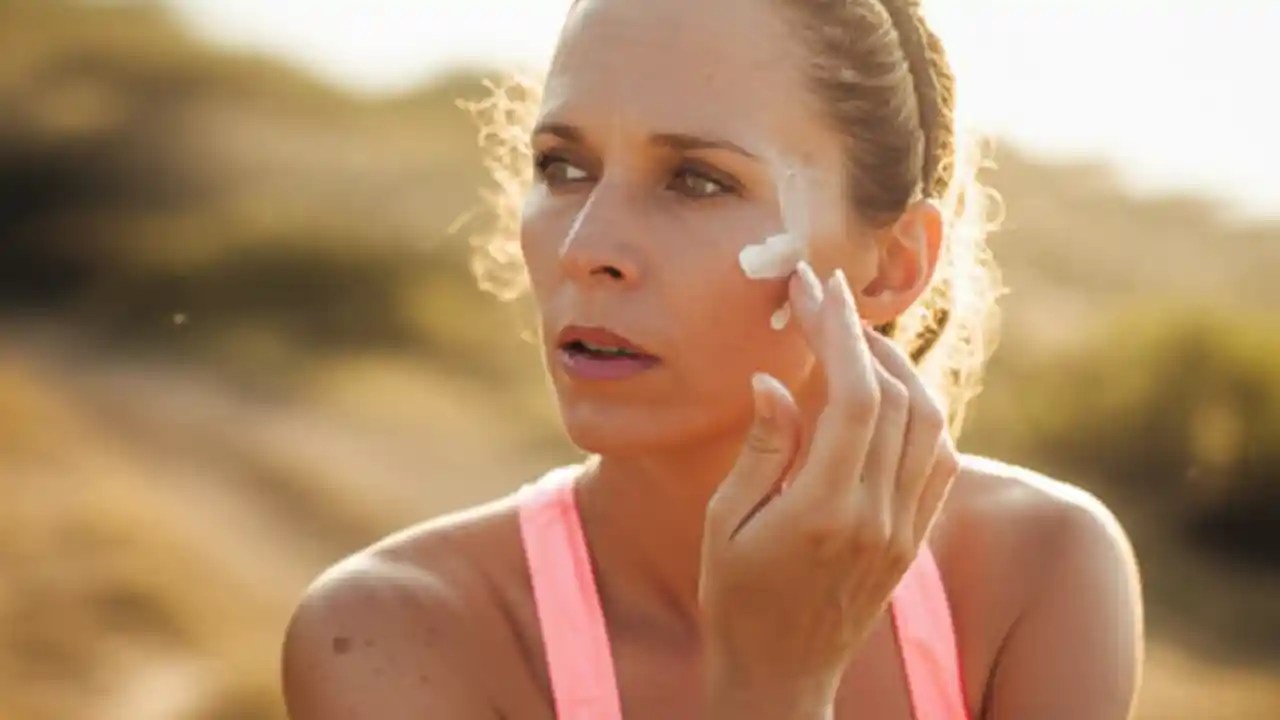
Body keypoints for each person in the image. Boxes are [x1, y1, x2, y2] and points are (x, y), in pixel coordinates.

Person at [281, 0, 1144, 717]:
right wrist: (774, 690)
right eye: (564, 166)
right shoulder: (399, 636)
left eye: (697, 180)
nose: (588, 248)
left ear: (893, 265)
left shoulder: (1034, 574)